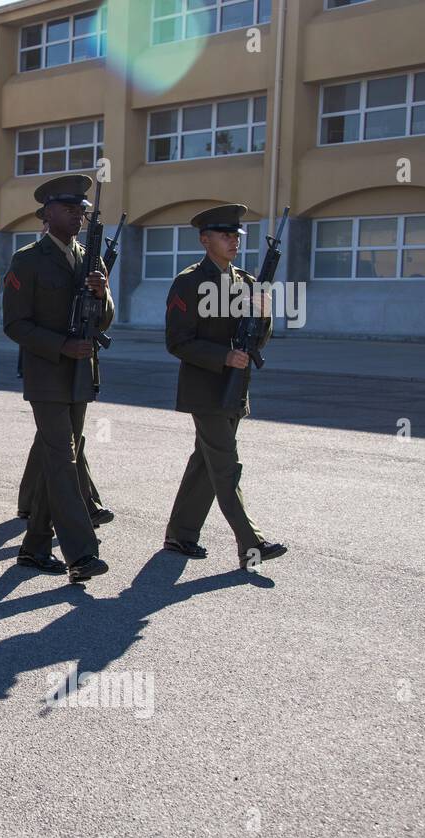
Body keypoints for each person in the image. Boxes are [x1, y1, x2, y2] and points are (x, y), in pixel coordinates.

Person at [163, 202, 287, 569]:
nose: (233, 240)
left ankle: (180, 534)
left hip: (236, 388)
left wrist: (264, 313)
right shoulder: (188, 282)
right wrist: (222, 356)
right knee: (226, 465)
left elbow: (257, 341)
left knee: (206, 462)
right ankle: (252, 543)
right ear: (205, 240)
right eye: (225, 235)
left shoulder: (247, 282)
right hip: (205, 390)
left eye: (236, 235)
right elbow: (177, 341)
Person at [2, 174, 111, 584]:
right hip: (47, 373)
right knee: (64, 459)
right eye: (69, 208)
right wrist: (60, 346)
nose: (78, 214)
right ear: (46, 214)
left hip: (82, 374)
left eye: (81, 209)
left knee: (61, 457)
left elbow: (106, 318)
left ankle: (33, 547)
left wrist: (102, 296)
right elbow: (15, 324)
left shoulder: (90, 258)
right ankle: (81, 553)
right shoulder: (27, 260)